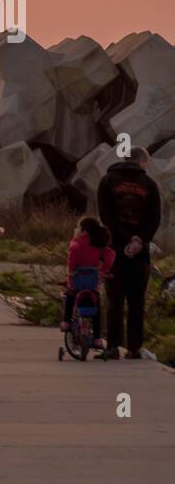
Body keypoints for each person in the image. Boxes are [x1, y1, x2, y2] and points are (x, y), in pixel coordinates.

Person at [96, 147, 162, 359]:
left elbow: (106, 217)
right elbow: (154, 219)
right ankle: (134, 348)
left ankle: (113, 347)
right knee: (136, 301)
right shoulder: (150, 185)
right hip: (140, 253)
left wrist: (124, 240)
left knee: (114, 299)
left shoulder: (107, 181)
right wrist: (138, 240)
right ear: (142, 161)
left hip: (114, 249)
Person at [61, 216, 114, 347]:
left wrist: (71, 270)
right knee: (96, 307)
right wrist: (103, 270)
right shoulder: (98, 243)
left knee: (69, 297)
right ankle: (97, 338)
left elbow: (72, 255)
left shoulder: (77, 242)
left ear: (84, 230)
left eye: (78, 227)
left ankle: (66, 322)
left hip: (76, 284)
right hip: (92, 284)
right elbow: (111, 255)